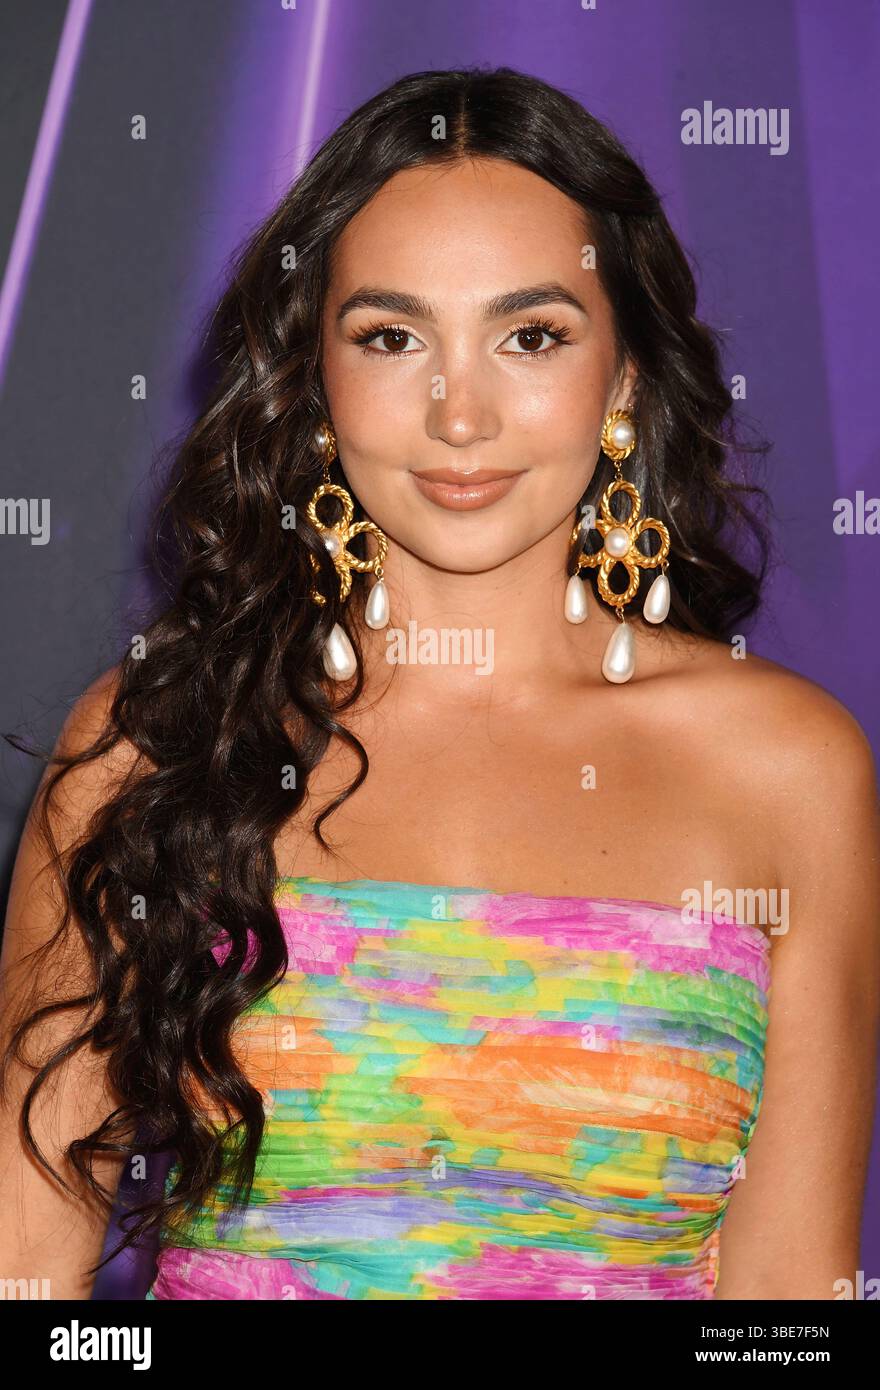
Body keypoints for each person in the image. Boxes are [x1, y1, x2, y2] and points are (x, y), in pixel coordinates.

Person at [1, 67, 877, 1302]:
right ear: (314, 382)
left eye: (530, 336)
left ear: (623, 379)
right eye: (392, 336)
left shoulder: (787, 768)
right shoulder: (153, 746)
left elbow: (790, 1303)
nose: (459, 413)